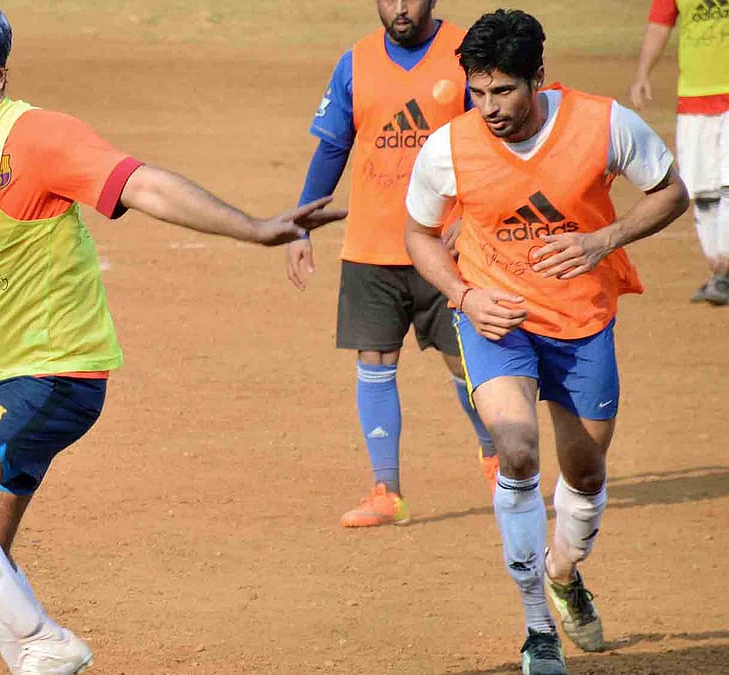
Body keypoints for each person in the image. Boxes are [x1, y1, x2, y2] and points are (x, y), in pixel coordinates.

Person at [0, 6, 343, 674]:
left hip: (57, 374)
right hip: (5, 375)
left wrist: (253, 227)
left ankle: (47, 644)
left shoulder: (37, 137)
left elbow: (145, 184)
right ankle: (37, 661)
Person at [403, 9, 689, 674]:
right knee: (517, 446)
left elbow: (670, 191)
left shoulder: (603, 123)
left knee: (584, 473)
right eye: (477, 91)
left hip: (583, 319)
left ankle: (563, 571)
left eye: (503, 90)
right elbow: (418, 233)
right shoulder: (448, 147)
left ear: (538, 78)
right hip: (494, 316)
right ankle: (536, 625)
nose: (488, 107)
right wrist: (465, 295)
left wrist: (602, 240)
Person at [286, 0, 497, 529]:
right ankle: (387, 491)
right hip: (370, 247)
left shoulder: (469, 51)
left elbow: (496, 140)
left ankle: (497, 456)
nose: (400, 8)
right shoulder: (354, 62)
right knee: (374, 362)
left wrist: (469, 216)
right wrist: (301, 224)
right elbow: (333, 146)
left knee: (463, 365)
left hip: (446, 249)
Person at [629, 0, 729, 305]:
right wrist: (643, 73)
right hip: (693, 98)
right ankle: (718, 273)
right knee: (701, 190)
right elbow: (660, 24)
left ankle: (725, 272)